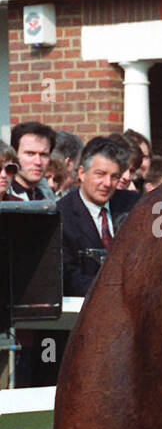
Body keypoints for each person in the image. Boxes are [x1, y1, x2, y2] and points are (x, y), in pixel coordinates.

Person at [58, 136, 132, 297]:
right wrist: (116, 292)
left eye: (114, 176)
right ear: (82, 173)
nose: (107, 183)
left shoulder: (132, 204)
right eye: (100, 174)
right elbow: (69, 278)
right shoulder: (62, 216)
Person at [7, 121, 56, 201]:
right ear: (14, 155)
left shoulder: (48, 195)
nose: (38, 162)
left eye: (43, 155)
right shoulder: (4, 196)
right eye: (30, 154)